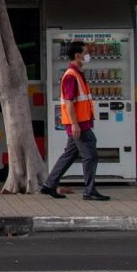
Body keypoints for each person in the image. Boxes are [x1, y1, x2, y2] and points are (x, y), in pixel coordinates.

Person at [41, 40, 109, 201]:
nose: (88, 55)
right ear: (78, 55)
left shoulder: (77, 73)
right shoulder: (71, 76)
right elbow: (69, 102)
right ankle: (89, 190)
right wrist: (74, 124)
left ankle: (49, 185)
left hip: (80, 122)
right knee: (90, 155)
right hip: (79, 123)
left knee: (70, 154)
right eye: (86, 53)